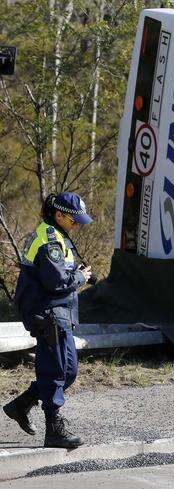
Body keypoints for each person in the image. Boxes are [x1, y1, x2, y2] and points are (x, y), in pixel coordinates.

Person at [3, 192, 94, 448]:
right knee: (55, 370)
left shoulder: (58, 236)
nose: (78, 225)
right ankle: (53, 430)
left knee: (68, 371)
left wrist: (76, 275)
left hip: (58, 312)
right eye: (74, 220)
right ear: (59, 215)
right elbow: (57, 282)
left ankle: (21, 405)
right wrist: (81, 278)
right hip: (48, 313)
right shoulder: (49, 240)